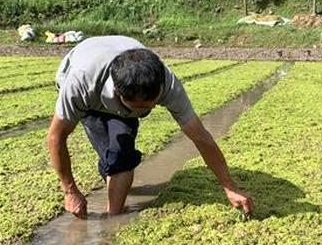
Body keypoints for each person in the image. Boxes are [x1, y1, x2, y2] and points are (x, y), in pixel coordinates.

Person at [47, 35, 254, 218]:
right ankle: (113, 197)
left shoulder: (168, 84)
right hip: (87, 85)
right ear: (119, 95)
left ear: (160, 89)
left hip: (119, 71)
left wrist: (229, 187)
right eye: (136, 107)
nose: (143, 111)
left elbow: (200, 137)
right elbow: (56, 137)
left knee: (121, 155)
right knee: (111, 155)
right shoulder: (80, 84)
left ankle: (113, 218)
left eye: (149, 106)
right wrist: (70, 191)